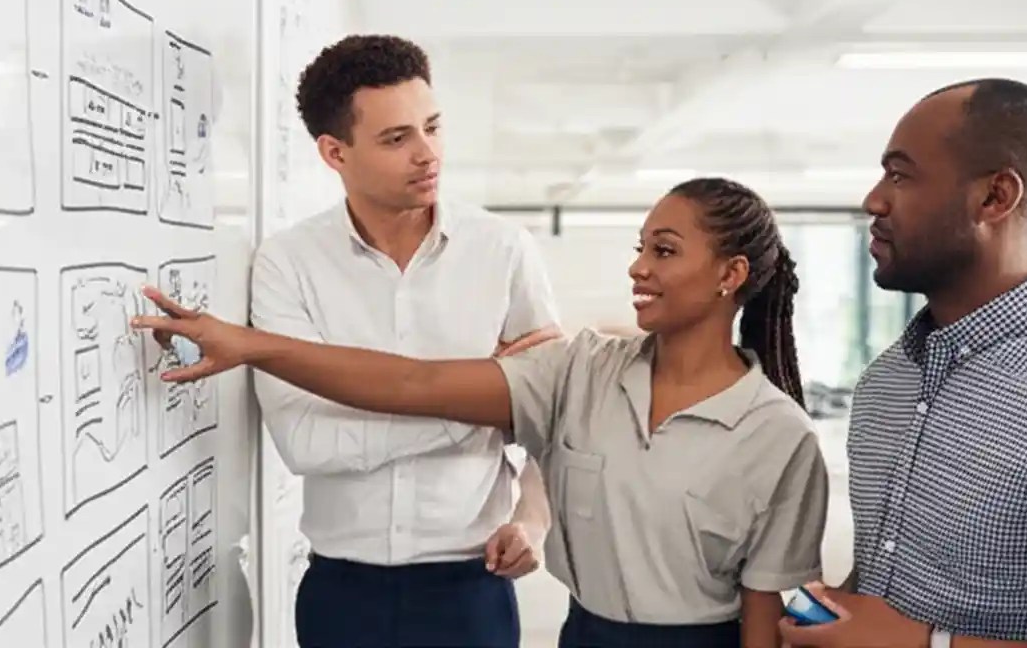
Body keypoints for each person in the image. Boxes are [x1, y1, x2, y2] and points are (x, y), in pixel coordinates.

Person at [134, 176, 833, 648]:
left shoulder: (777, 436)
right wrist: (248, 344)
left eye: (665, 251)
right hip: (581, 635)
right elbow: (413, 384)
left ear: (730, 275)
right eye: (640, 248)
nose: (638, 268)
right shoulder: (578, 371)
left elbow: (768, 621)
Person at [247, 35, 560, 647]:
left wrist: (533, 519)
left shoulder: (503, 251)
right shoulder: (287, 264)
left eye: (433, 127)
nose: (429, 154)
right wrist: (484, 403)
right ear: (335, 152)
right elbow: (307, 444)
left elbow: (551, 417)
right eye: (397, 139)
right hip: (342, 596)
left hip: (473, 588)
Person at [779, 79, 1027, 647]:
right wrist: (836, 615)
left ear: (994, 198)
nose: (873, 200)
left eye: (900, 174)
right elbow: (888, 591)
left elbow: (906, 637)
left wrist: (927, 644)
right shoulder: (887, 381)